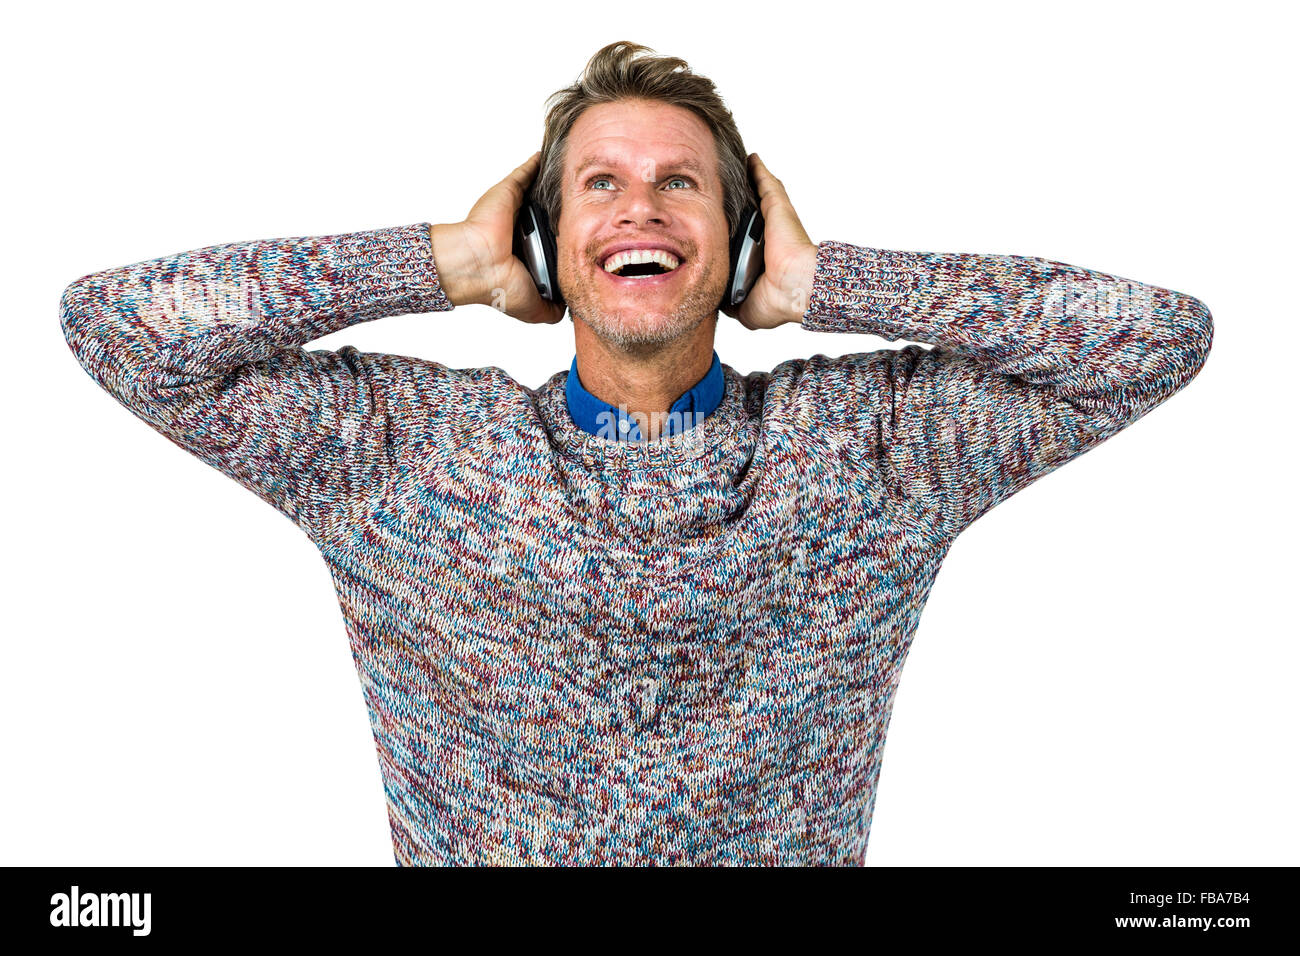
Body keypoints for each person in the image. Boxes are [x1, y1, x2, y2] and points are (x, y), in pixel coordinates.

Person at [59, 41, 1213, 866]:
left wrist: (829, 284)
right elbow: (120, 326)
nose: (640, 210)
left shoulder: (877, 450)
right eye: (599, 185)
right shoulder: (401, 456)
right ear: (546, 245)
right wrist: (445, 259)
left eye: (680, 183)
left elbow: (1154, 340)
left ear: (742, 235)